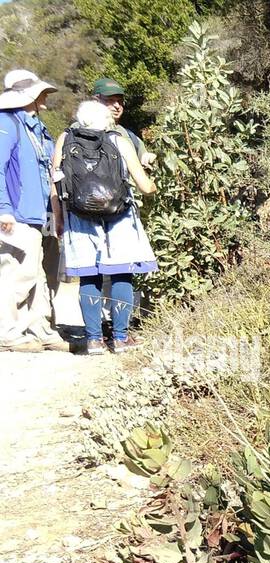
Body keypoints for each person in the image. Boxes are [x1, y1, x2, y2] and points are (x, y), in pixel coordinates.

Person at [53, 99, 156, 355]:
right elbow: (143, 184)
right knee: (122, 274)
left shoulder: (65, 139)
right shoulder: (119, 140)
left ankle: (94, 340)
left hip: (79, 216)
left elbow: (55, 181)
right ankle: (120, 338)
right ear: (106, 120)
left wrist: (58, 218)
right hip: (118, 216)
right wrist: (154, 187)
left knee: (89, 276)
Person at [0, 68, 70, 352]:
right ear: (24, 97)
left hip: (42, 214)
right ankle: (8, 331)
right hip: (16, 214)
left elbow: (50, 172)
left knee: (42, 274)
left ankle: (40, 328)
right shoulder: (7, 124)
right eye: (40, 95)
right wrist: (3, 208)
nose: (44, 101)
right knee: (18, 273)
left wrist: (57, 212)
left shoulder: (38, 129)